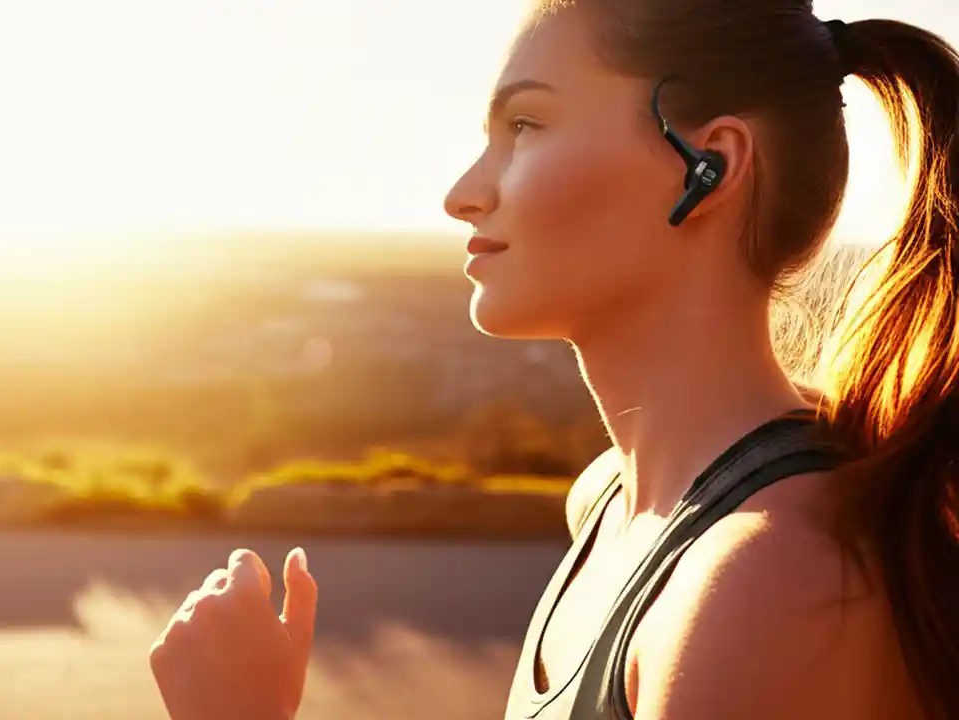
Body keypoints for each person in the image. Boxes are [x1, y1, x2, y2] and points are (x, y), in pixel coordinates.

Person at [148, 2, 959, 718]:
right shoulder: (607, 501)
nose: (463, 192)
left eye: (526, 127)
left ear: (705, 167)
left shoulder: (770, 586)